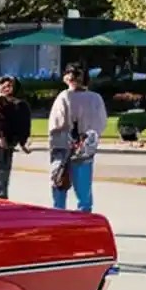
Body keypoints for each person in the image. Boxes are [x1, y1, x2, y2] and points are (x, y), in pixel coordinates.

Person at [48, 64, 108, 212]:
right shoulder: (94, 98)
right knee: (81, 184)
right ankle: (82, 213)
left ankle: (59, 213)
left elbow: (57, 123)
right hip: (80, 146)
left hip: (66, 146)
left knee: (61, 181)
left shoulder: (65, 96)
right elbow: (100, 123)